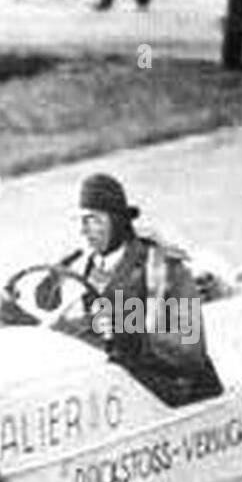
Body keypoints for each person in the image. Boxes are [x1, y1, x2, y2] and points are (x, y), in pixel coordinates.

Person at [36, 174, 223, 408]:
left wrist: (133, 338)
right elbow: (79, 330)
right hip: (109, 388)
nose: (84, 231)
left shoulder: (163, 267)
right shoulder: (83, 267)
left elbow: (190, 349)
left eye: (93, 220)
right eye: (80, 221)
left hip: (170, 388)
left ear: (116, 221)